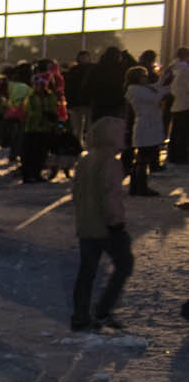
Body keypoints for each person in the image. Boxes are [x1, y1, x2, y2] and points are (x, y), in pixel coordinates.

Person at [71, 117, 134, 333]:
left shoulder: (85, 159)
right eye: (120, 132)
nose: (124, 136)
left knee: (87, 272)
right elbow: (110, 196)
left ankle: (80, 316)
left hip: (86, 225)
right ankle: (103, 311)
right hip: (106, 226)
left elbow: (77, 194)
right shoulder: (111, 162)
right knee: (125, 264)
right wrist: (116, 222)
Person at [124, 66, 169, 196]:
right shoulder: (135, 90)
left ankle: (136, 186)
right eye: (143, 76)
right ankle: (140, 187)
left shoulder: (141, 88)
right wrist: (165, 89)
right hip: (145, 126)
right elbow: (154, 97)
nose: (146, 78)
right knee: (143, 158)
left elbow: (156, 87)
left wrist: (164, 78)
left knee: (143, 158)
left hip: (149, 125)